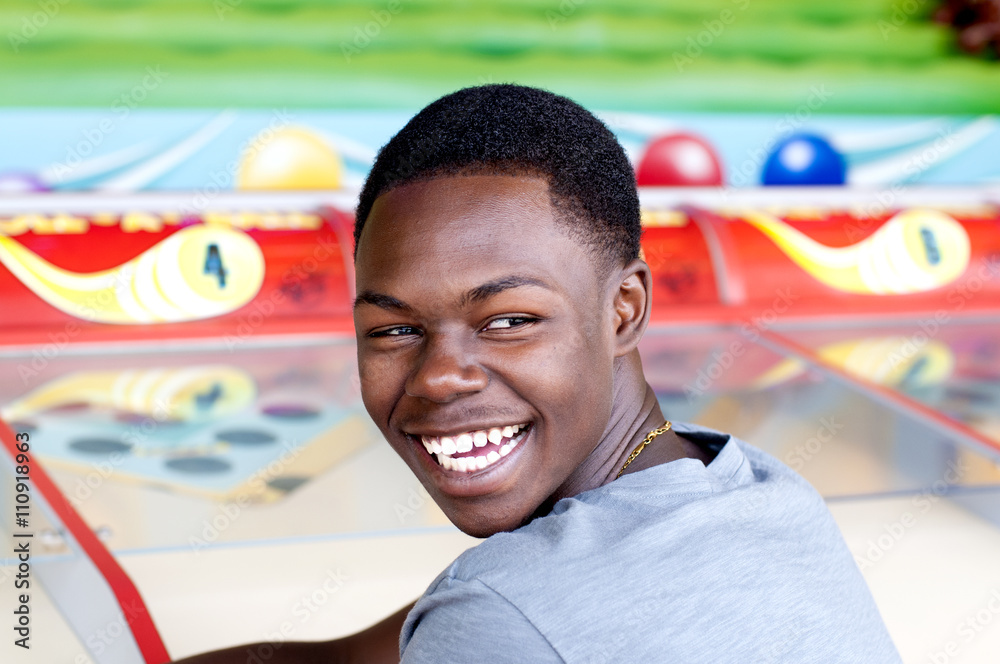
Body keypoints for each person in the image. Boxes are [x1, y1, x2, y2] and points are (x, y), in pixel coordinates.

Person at [179, 84, 900, 663]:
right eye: (395, 330)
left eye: (508, 321)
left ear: (622, 310)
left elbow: (508, 619)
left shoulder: (504, 616)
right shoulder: (755, 488)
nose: (439, 378)